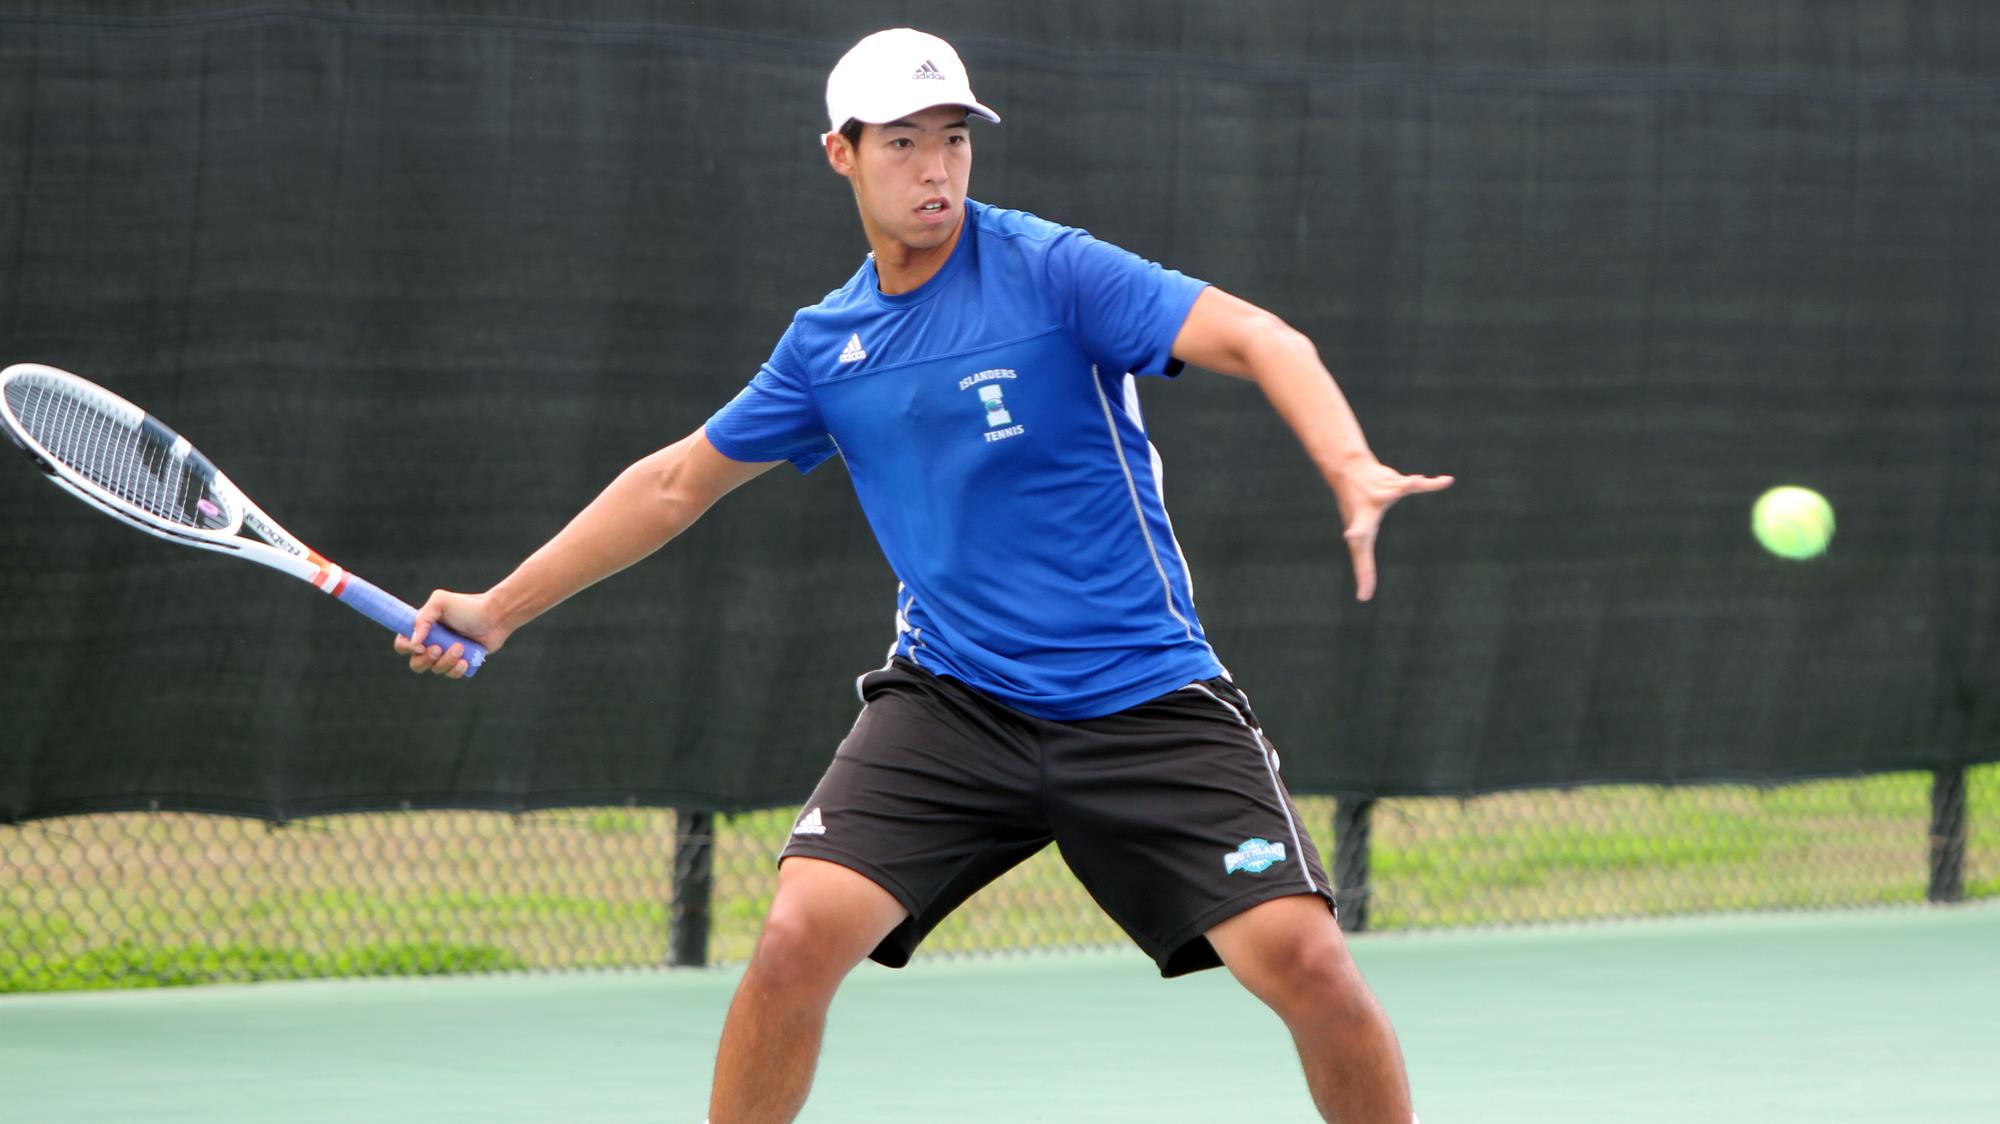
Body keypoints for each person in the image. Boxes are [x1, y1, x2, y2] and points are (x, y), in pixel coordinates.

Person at [397, 28, 1450, 1124]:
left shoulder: (1051, 270)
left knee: (1306, 960)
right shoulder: (827, 348)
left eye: (951, 138)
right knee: (796, 934)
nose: (935, 167)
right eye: (901, 142)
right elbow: (672, 484)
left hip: (1141, 691)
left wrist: (1348, 462)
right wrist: (497, 609)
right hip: (956, 702)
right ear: (840, 153)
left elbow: (1258, 335)